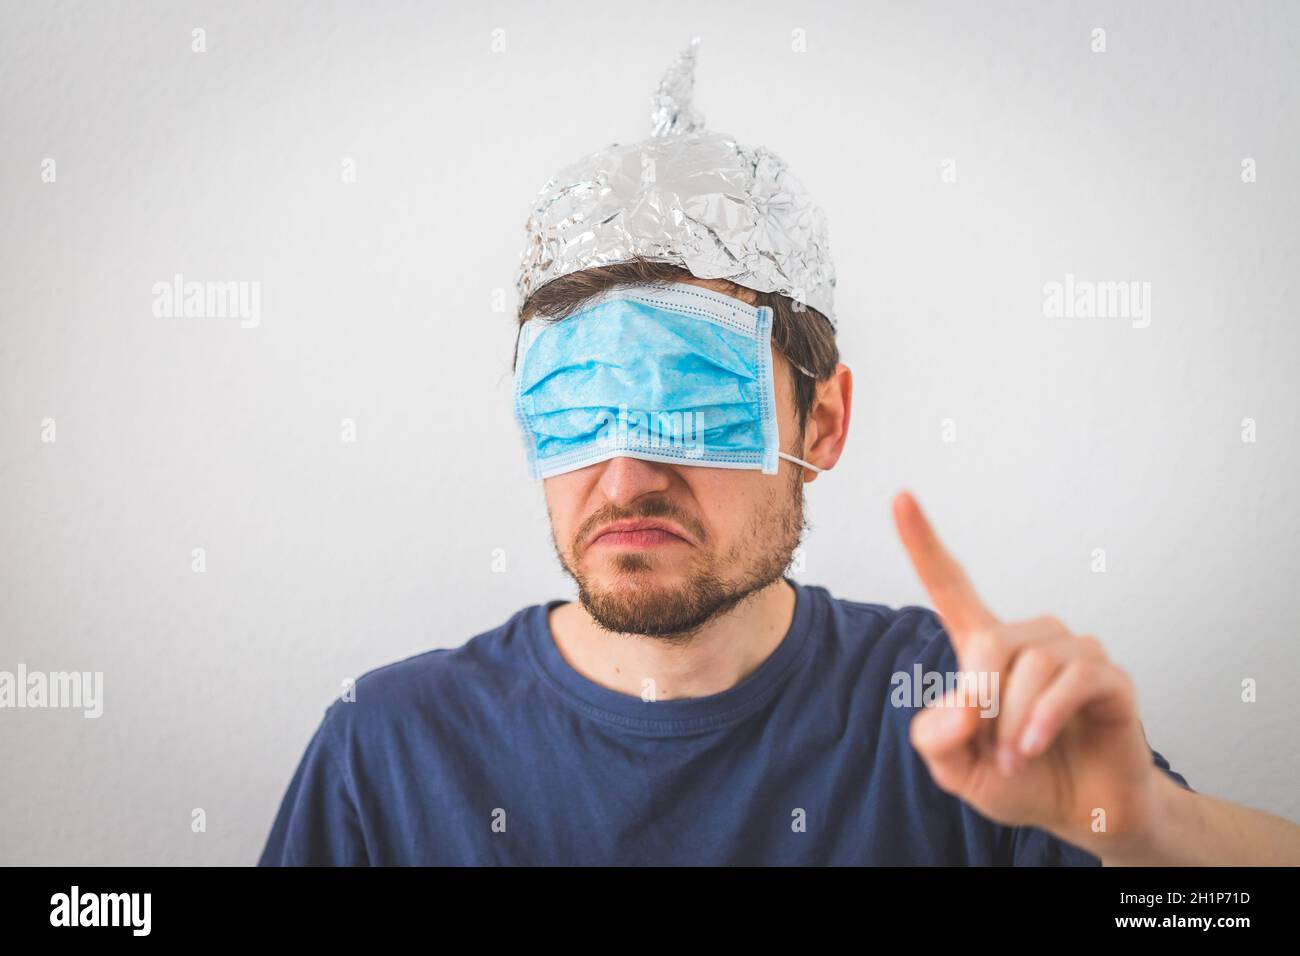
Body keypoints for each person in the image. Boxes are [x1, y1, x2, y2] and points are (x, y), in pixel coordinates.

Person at [258, 42, 1300, 867]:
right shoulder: (384, 748)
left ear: (823, 423)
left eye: (694, 397)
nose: (624, 476)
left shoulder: (961, 715)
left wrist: (1150, 830)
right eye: (578, 403)